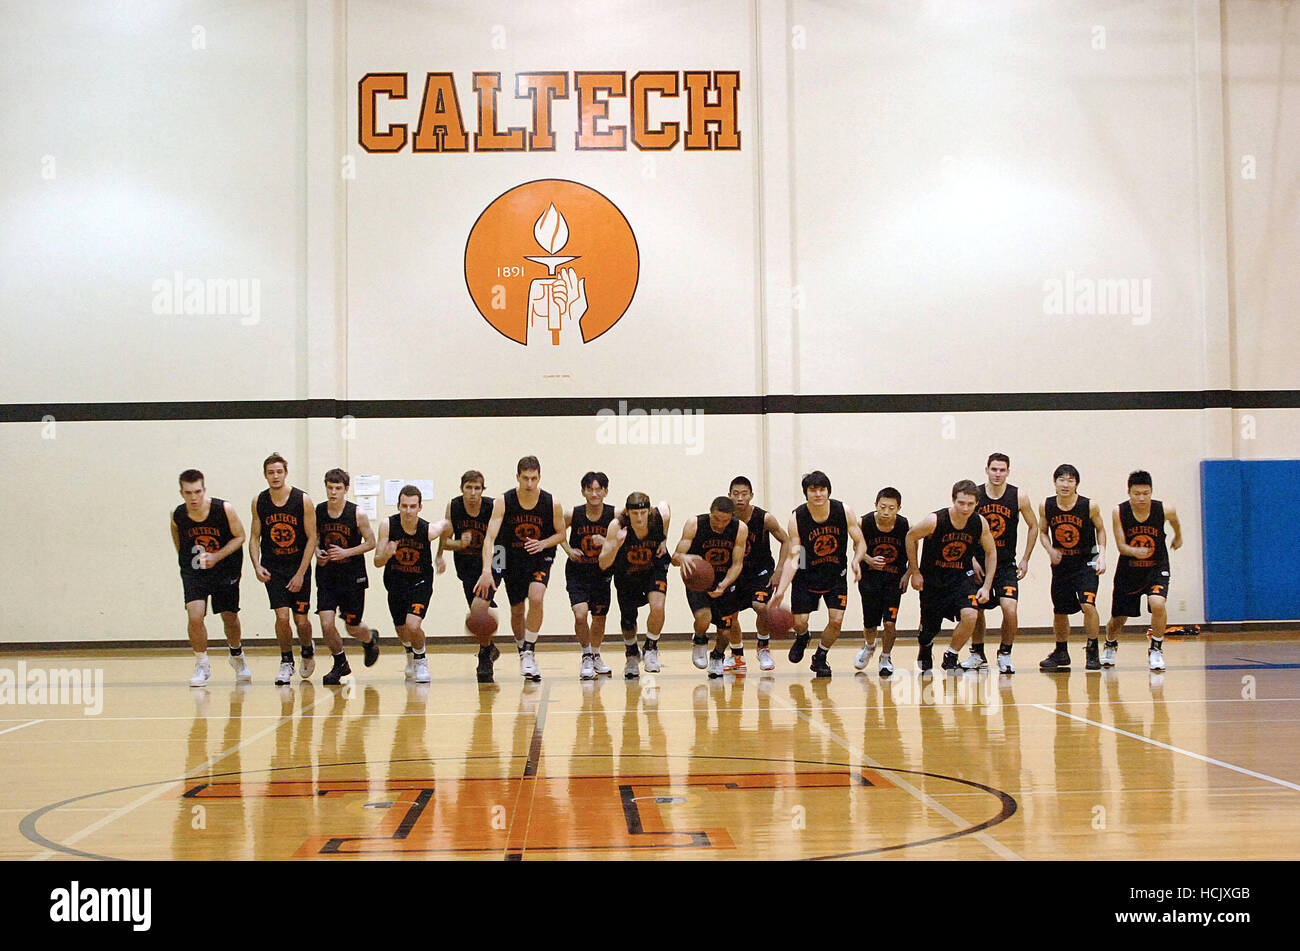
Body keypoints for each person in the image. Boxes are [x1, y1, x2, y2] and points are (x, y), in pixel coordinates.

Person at [475, 456, 565, 682]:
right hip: (505, 554)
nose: (529, 483)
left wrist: (543, 543)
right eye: (525, 478)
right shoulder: (503, 501)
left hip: (538, 554)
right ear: (517, 477)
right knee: (503, 607)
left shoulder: (551, 502)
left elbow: (562, 534)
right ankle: (513, 649)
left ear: (539, 477)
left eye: (534, 478)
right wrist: (487, 570)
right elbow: (490, 538)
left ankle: (529, 651)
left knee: (536, 597)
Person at [771, 471, 867, 678]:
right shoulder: (798, 517)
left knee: (836, 620)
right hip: (806, 573)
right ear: (806, 493)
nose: (818, 494)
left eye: (822, 489)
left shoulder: (844, 511)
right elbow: (794, 556)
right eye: (813, 490)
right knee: (799, 621)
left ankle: (821, 656)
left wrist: (856, 560)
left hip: (835, 574)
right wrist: (780, 591)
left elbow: (859, 541)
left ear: (828, 491)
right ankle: (803, 636)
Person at [903, 480, 996, 672]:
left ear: (976, 503)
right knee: (930, 628)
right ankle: (926, 645)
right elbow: (910, 537)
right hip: (934, 579)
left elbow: (991, 552)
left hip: (961, 578)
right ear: (953, 500)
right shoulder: (935, 520)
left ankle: (951, 654)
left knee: (971, 614)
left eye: (970, 504)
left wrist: (987, 586)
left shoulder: (979, 523)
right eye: (961, 503)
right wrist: (915, 571)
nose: (965, 508)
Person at [171, 469, 251, 686]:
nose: (193, 497)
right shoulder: (178, 515)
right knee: (195, 616)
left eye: (197, 491)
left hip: (225, 568)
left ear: (204, 490)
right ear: (182, 493)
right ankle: (201, 662)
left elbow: (240, 536)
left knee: (229, 616)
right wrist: (189, 563)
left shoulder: (223, 509)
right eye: (188, 493)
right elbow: (178, 540)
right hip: (195, 571)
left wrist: (216, 557)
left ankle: (237, 655)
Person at [964, 453, 1039, 674]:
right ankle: (977, 654)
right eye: (994, 469)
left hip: (1006, 564)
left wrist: (1025, 558)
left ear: (1008, 471)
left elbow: (1034, 526)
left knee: (1010, 608)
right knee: (975, 609)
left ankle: (1005, 653)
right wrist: (971, 559)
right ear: (986, 470)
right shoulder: (975, 495)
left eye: (1002, 470)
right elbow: (963, 528)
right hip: (979, 562)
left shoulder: (1018, 496)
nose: (997, 474)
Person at [249, 453, 318, 686]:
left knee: (301, 621)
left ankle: (307, 649)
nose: (275, 476)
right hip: (273, 567)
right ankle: (286, 661)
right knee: (282, 616)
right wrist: (257, 565)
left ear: (286, 473)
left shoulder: (302, 500)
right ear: (265, 475)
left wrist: (300, 573)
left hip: (298, 565)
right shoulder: (259, 501)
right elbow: (254, 537)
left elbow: (312, 538)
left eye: (279, 471)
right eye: (271, 472)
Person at [1105, 471, 1183, 672]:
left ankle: (1156, 648)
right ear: (1128, 492)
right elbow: (1121, 546)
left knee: (1157, 603)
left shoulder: (1164, 509)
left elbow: (1175, 521)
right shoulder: (1119, 511)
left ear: (1151, 492)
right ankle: (1110, 644)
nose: (1141, 498)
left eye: (1145, 493)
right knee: (1118, 619)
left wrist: (1178, 537)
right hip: (1129, 570)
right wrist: (1134, 551)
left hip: (1156, 567)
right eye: (1136, 493)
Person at [375, 485, 450, 684]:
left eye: (412, 506)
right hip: (395, 583)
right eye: (404, 506)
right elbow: (377, 561)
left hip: (420, 582)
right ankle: (410, 653)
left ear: (420, 507)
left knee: (413, 625)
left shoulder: (428, 529)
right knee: (401, 630)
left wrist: (440, 555)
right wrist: (387, 554)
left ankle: (421, 658)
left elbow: (447, 525)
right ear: (398, 506)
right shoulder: (387, 526)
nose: (408, 511)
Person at [1038, 464, 1109, 671]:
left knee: (1088, 604)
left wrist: (1102, 556)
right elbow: (1043, 532)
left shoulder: (1089, 505)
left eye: (1070, 480)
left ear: (1076, 484)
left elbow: (1101, 530)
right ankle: (1061, 652)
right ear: (1055, 482)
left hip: (1085, 562)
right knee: (1060, 611)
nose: (1065, 484)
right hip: (1061, 565)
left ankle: (1093, 648)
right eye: (1062, 479)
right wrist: (1050, 549)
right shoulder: (1046, 505)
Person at [314, 468, 380, 685]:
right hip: (327, 576)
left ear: (346, 490)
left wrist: (346, 552)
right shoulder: (319, 511)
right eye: (330, 487)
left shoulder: (357, 513)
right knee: (326, 622)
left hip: (352, 577)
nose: (333, 492)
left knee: (352, 626)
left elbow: (371, 542)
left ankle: (369, 638)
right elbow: (313, 538)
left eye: (338, 488)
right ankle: (340, 663)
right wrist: (318, 553)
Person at [672, 496, 749, 679]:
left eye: (725, 520)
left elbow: (737, 564)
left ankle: (718, 656)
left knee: (725, 630)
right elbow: (675, 557)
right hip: (698, 580)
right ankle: (699, 639)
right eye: (716, 519)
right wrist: (683, 558)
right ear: (710, 512)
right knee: (703, 619)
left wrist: (724, 584)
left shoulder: (740, 528)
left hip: (725, 581)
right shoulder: (695, 524)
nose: (721, 524)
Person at [598, 493, 671, 679]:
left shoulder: (658, 517)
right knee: (628, 619)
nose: (639, 518)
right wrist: (616, 544)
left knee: (658, 606)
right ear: (627, 512)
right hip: (627, 573)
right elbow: (603, 563)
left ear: (649, 511)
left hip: (653, 569)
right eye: (635, 513)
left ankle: (651, 647)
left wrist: (664, 539)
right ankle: (631, 653)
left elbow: (665, 505)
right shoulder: (617, 526)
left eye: (643, 513)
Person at [439, 470, 501, 682]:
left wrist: (488, 570)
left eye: (477, 488)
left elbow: (496, 540)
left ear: (483, 490)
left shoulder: (492, 506)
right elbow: (445, 541)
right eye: (469, 488)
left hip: (494, 560)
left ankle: (484, 656)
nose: (473, 493)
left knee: (478, 608)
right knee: (477, 615)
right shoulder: (454, 507)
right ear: (462, 488)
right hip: (466, 564)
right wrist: (458, 544)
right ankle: (489, 647)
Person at [725, 476, 791, 672]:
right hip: (735, 572)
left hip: (761, 571)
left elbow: (786, 540)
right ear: (729, 495)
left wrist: (779, 570)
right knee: (730, 615)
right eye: (735, 494)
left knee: (760, 605)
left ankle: (763, 648)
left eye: (744, 494)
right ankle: (737, 655)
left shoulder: (764, 518)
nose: (740, 498)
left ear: (751, 496)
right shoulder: (725, 518)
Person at [563, 472, 616, 680]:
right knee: (580, 614)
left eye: (598, 489)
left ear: (605, 491)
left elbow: (624, 539)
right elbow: (557, 531)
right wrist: (567, 549)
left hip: (602, 571)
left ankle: (596, 654)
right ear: (583, 491)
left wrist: (607, 542)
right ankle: (586, 654)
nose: (594, 493)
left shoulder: (613, 515)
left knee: (600, 617)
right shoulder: (573, 514)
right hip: (578, 571)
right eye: (590, 489)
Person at [855, 487, 909, 677]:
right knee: (870, 625)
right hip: (869, 578)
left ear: (899, 508)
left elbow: (912, 551)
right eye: (882, 507)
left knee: (889, 624)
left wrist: (909, 574)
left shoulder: (904, 525)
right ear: (876, 505)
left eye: (891, 508)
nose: (886, 512)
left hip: (894, 579)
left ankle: (885, 657)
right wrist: (868, 560)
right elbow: (856, 545)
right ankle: (870, 646)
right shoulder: (864, 522)